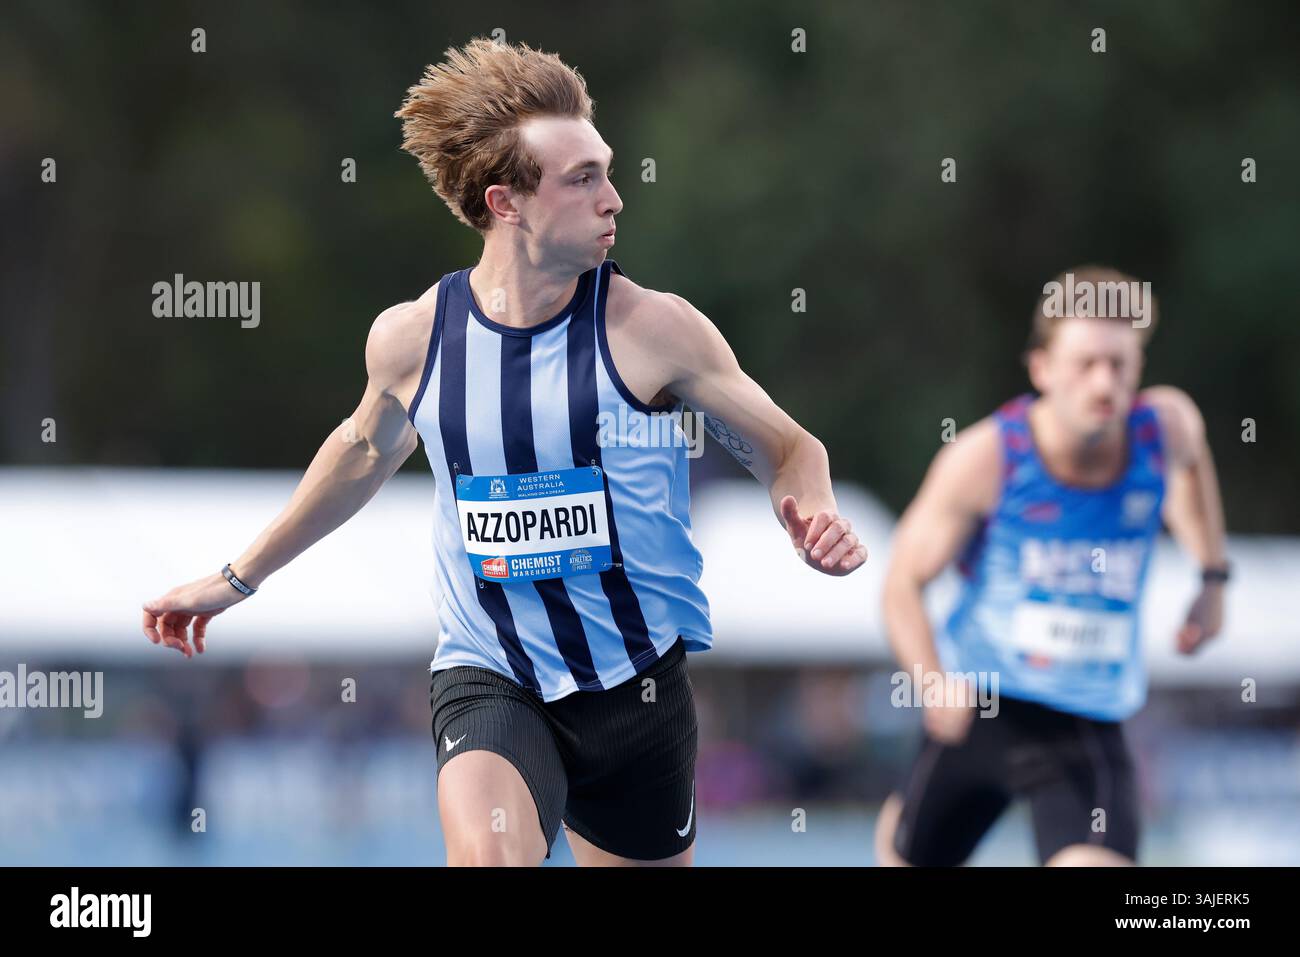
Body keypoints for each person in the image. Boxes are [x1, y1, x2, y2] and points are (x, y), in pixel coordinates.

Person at [141, 38, 867, 867]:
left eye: (608, 169)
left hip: (637, 691)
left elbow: (790, 446)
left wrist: (813, 516)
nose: (614, 198)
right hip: (491, 675)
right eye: (583, 179)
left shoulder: (655, 330)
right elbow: (355, 456)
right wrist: (237, 579)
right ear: (507, 201)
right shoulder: (413, 340)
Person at [875, 265, 1228, 866]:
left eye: (1120, 365)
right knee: (902, 855)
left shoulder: (1166, 430)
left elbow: (1193, 471)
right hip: (981, 706)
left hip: (1087, 722)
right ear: (1041, 368)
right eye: (1085, 363)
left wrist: (1213, 576)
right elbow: (901, 583)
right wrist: (930, 680)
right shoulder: (987, 458)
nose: (1104, 383)